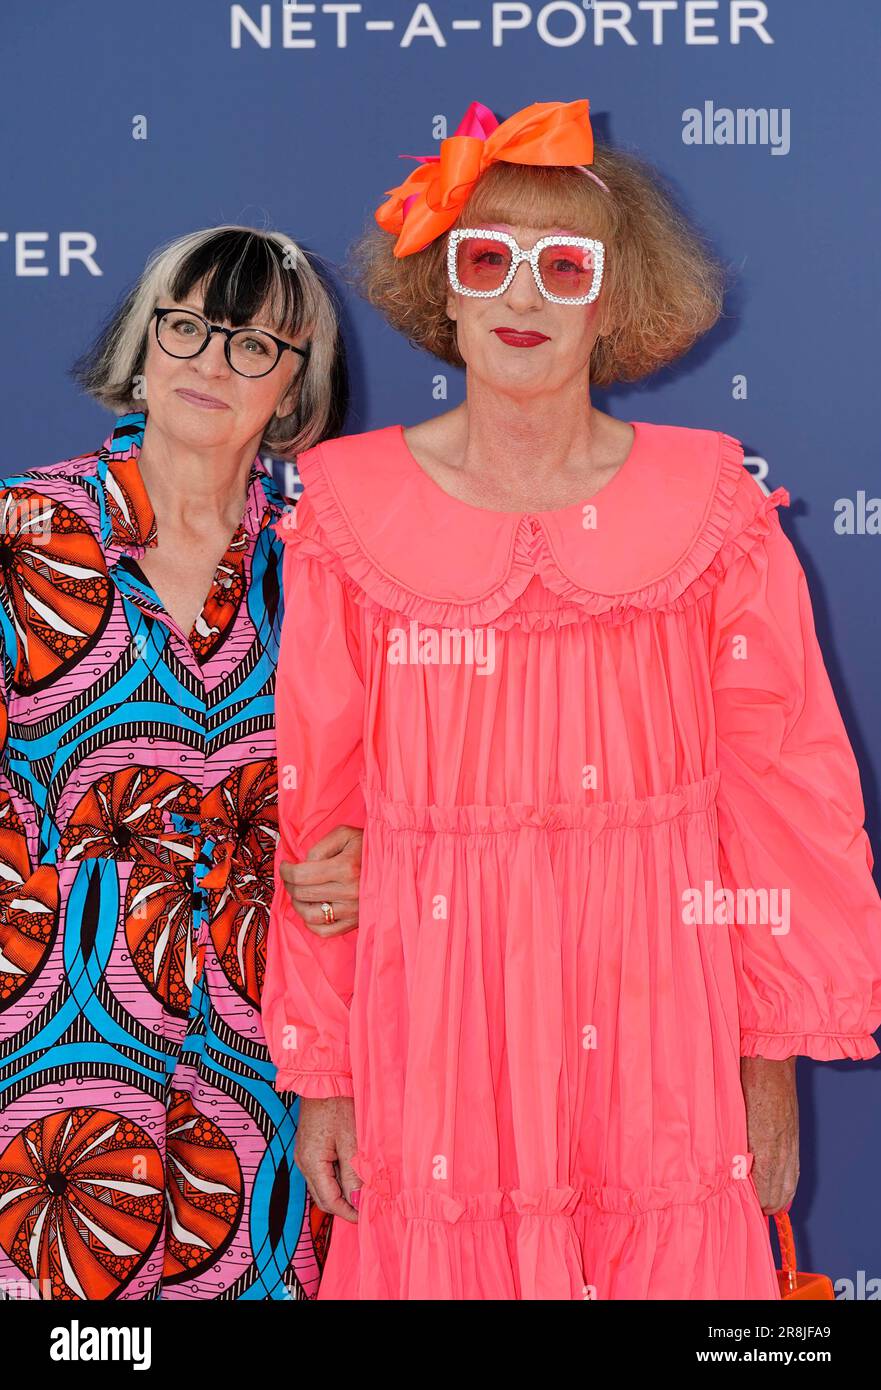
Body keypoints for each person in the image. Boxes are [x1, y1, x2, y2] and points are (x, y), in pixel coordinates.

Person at [262, 100, 881, 1300]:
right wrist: (325, 1067)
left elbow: (783, 791)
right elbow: (320, 810)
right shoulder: (346, 507)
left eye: (564, 265)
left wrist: (766, 1058)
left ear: (612, 293)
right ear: (444, 287)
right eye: (487, 260)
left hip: (663, 1008)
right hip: (434, 1013)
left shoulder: (711, 504)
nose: (524, 297)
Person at [0, 226, 363, 1300]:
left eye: (256, 343)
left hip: (259, 1052)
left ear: (295, 392)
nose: (212, 359)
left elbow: (377, 792)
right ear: (143, 345)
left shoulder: (323, 567)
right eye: (190, 326)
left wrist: (359, 864)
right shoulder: (26, 531)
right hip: (47, 1036)